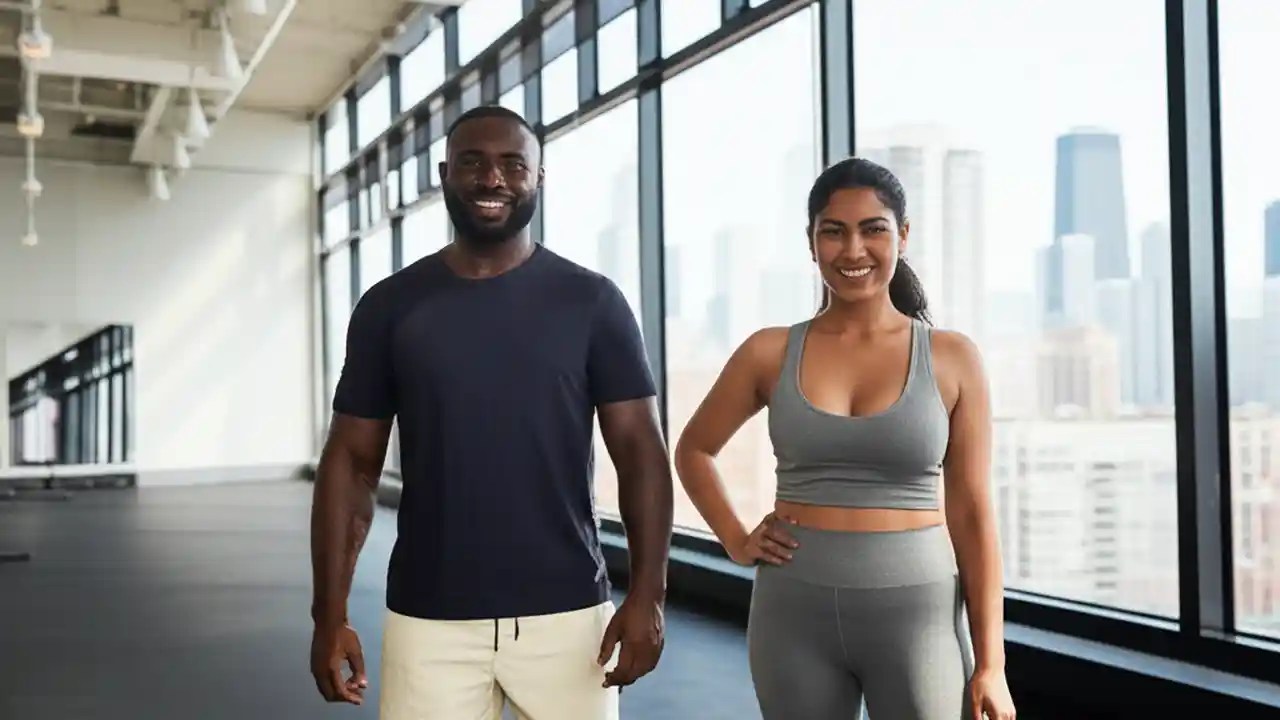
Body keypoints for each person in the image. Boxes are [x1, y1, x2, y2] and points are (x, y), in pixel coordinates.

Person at [309, 104, 674, 720]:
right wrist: (329, 613)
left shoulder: (593, 303)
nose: (493, 178)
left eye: (513, 164)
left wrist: (649, 595)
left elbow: (641, 453)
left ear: (539, 178)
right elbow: (351, 463)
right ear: (445, 173)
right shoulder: (390, 307)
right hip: (429, 619)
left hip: (569, 619)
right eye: (474, 162)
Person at [673, 157, 1016, 720]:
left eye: (873, 229)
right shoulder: (770, 351)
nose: (853, 250)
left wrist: (991, 664)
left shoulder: (954, 358)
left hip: (918, 615)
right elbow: (694, 449)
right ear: (811, 244)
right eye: (833, 231)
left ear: (902, 236)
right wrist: (735, 539)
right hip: (792, 612)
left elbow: (975, 513)